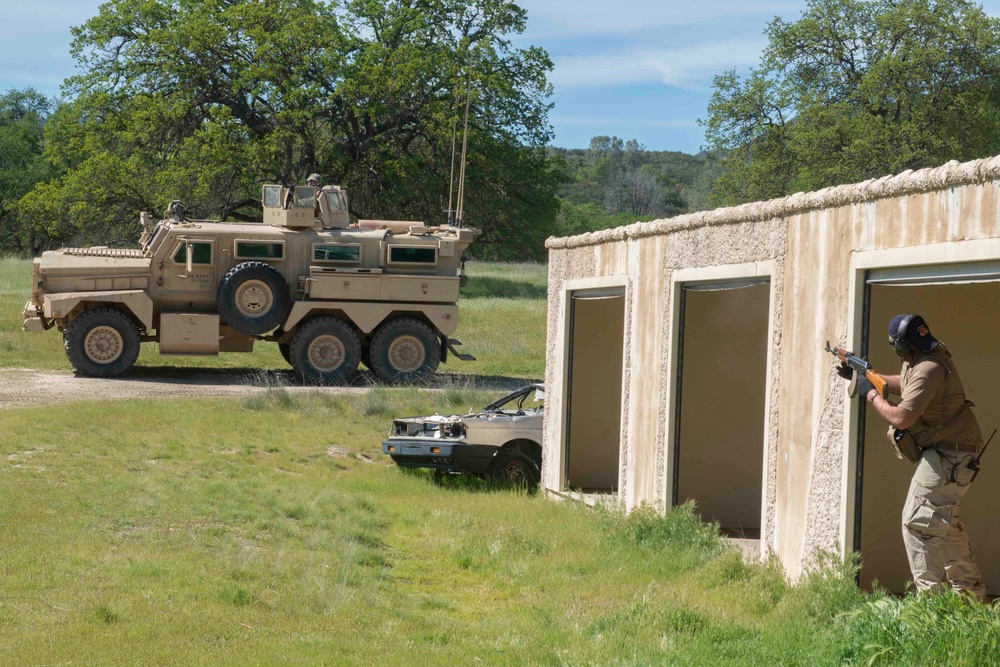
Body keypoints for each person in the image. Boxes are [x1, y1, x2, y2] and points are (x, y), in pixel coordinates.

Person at [846, 313, 986, 600]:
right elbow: (907, 382)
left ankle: (931, 604)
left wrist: (871, 394)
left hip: (949, 456)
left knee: (917, 523)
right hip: (956, 454)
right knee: (946, 525)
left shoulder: (929, 367)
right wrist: (869, 375)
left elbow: (901, 418)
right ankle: (971, 598)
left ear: (901, 345)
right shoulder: (926, 356)